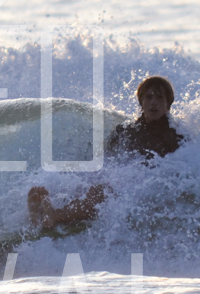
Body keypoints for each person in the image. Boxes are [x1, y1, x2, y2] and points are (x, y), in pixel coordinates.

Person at [27, 75, 183, 229]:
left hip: (143, 190)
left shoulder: (173, 137)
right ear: (141, 101)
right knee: (83, 179)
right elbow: (107, 160)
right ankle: (42, 212)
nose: (153, 102)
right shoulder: (125, 131)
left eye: (160, 98)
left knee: (102, 191)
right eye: (148, 97)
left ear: (168, 104)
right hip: (121, 178)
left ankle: (55, 215)